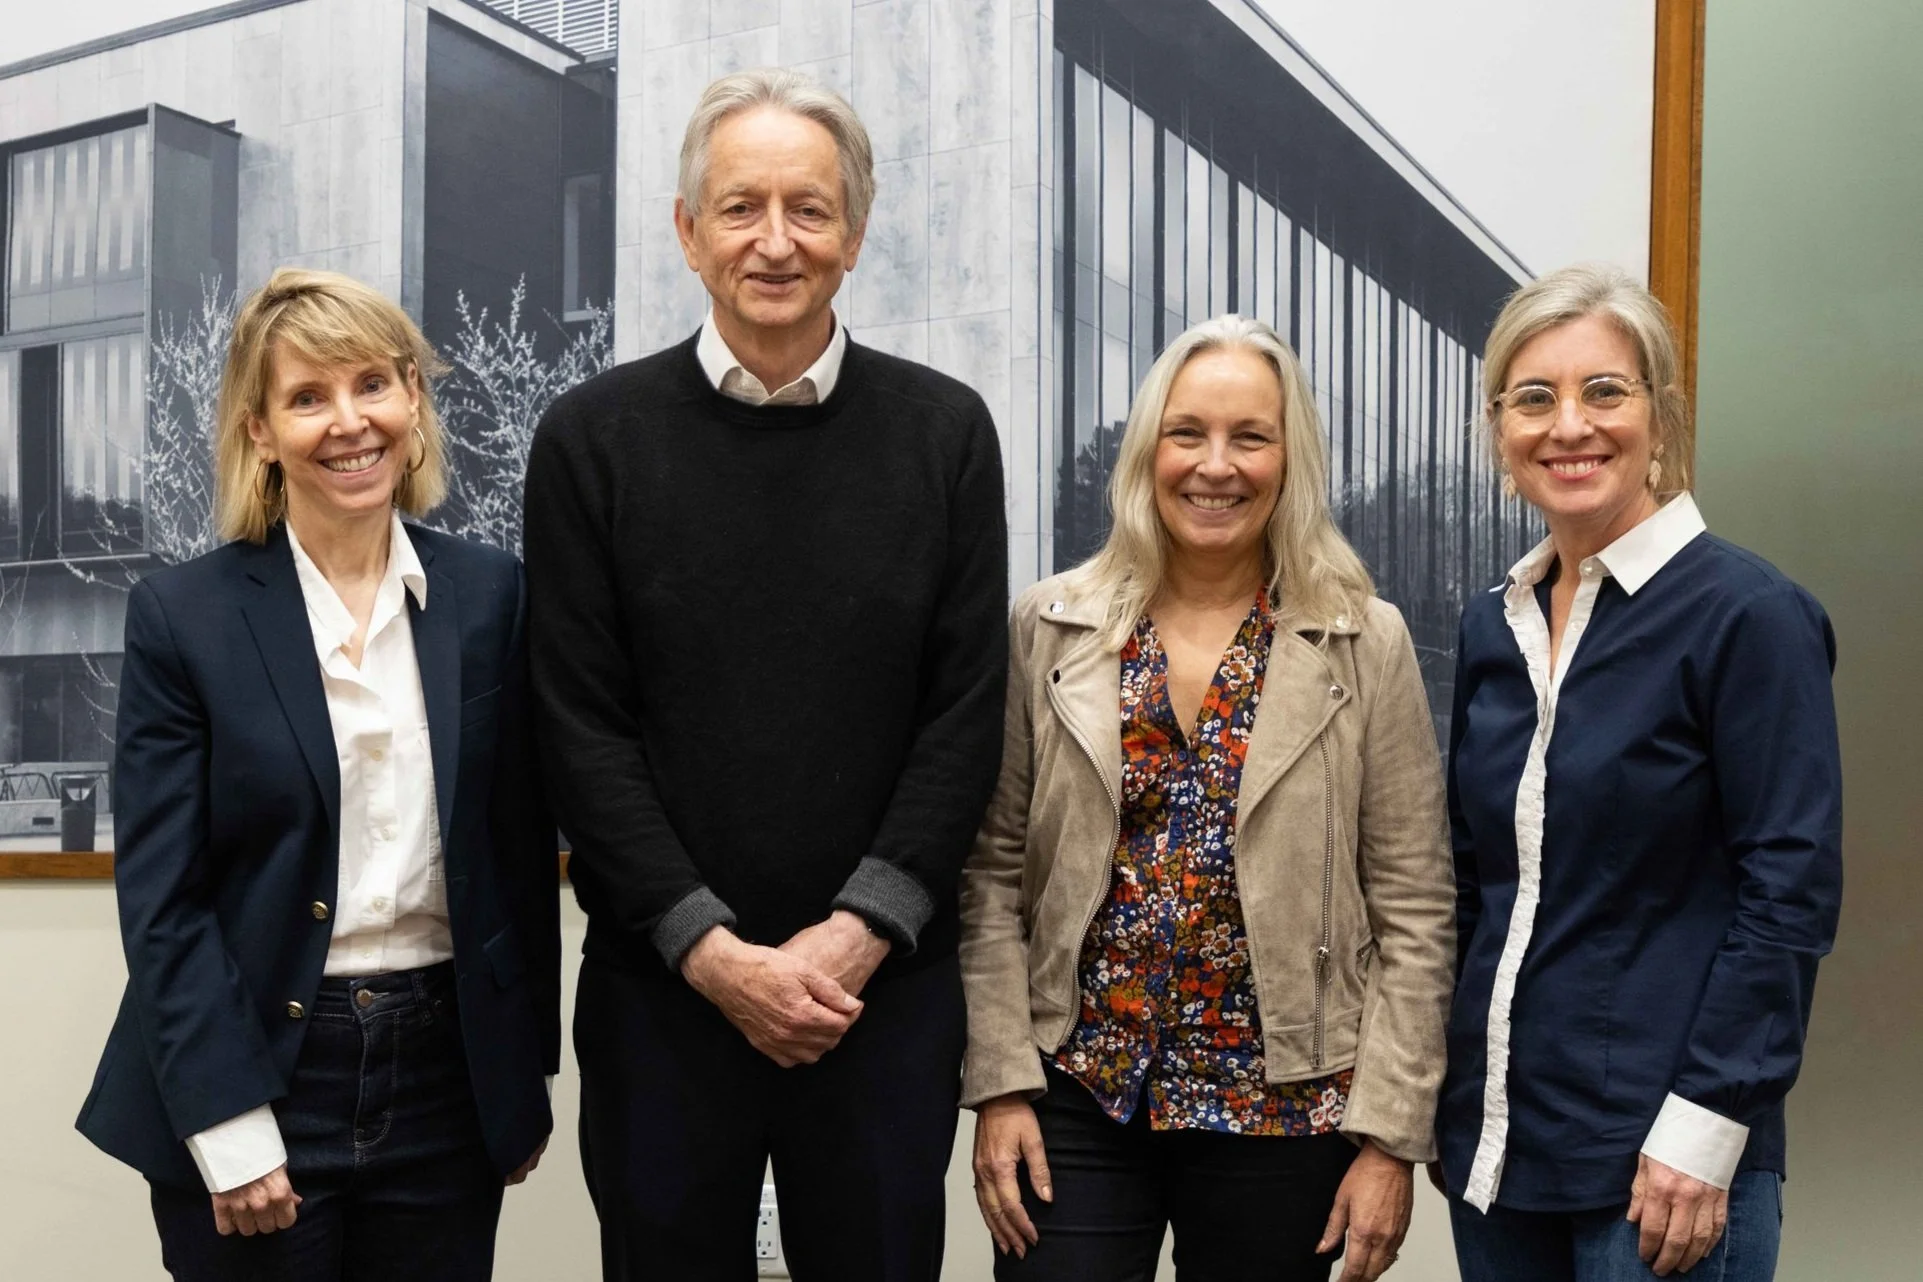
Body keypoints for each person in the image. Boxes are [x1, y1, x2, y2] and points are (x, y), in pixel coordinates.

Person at [522, 69, 1007, 1281]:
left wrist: (856, 936)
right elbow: (580, 726)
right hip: (663, 1000)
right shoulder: (590, 440)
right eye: (741, 208)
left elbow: (962, 716)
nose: (776, 241)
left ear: (856, 233)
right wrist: (712, 953)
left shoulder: (947, 434)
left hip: (879, 1003)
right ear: (689, 232)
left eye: (810, 209)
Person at [75, 268, 559, 1281]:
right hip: (259, 1069)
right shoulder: (184, 617)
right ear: (260, 431)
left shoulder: (490, 595)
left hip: (446, 1080)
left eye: (372, 384)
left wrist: (520, 1075)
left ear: (412, 398)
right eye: (307, 397)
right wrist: (228, 1120)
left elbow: (514, 851)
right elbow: (164, 899)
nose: (349, 422)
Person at [959, 315, 1455, 1282]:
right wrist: (1001, 1083)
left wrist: (1390, 1137)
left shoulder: (1364, 639)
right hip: (1078, 1090)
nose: (1214, 466)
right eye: (1186, 432)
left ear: (1289, 458)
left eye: (1250, 437)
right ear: (1147, 449)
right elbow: (990, 875)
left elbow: (1414, 906)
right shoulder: (1048, 626)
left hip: (1287, 1105)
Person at [1436, 264, 1843, 1281]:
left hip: (1666, 1167)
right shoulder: (1492, 627)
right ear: (1499, 431)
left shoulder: (1748, 616)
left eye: (1604, 391)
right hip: (1501, 1153)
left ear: (1659, 416)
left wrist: (1705, 1127)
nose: (1569, 425)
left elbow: (1788, 894)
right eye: (1535, 397)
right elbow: (1473, 887)